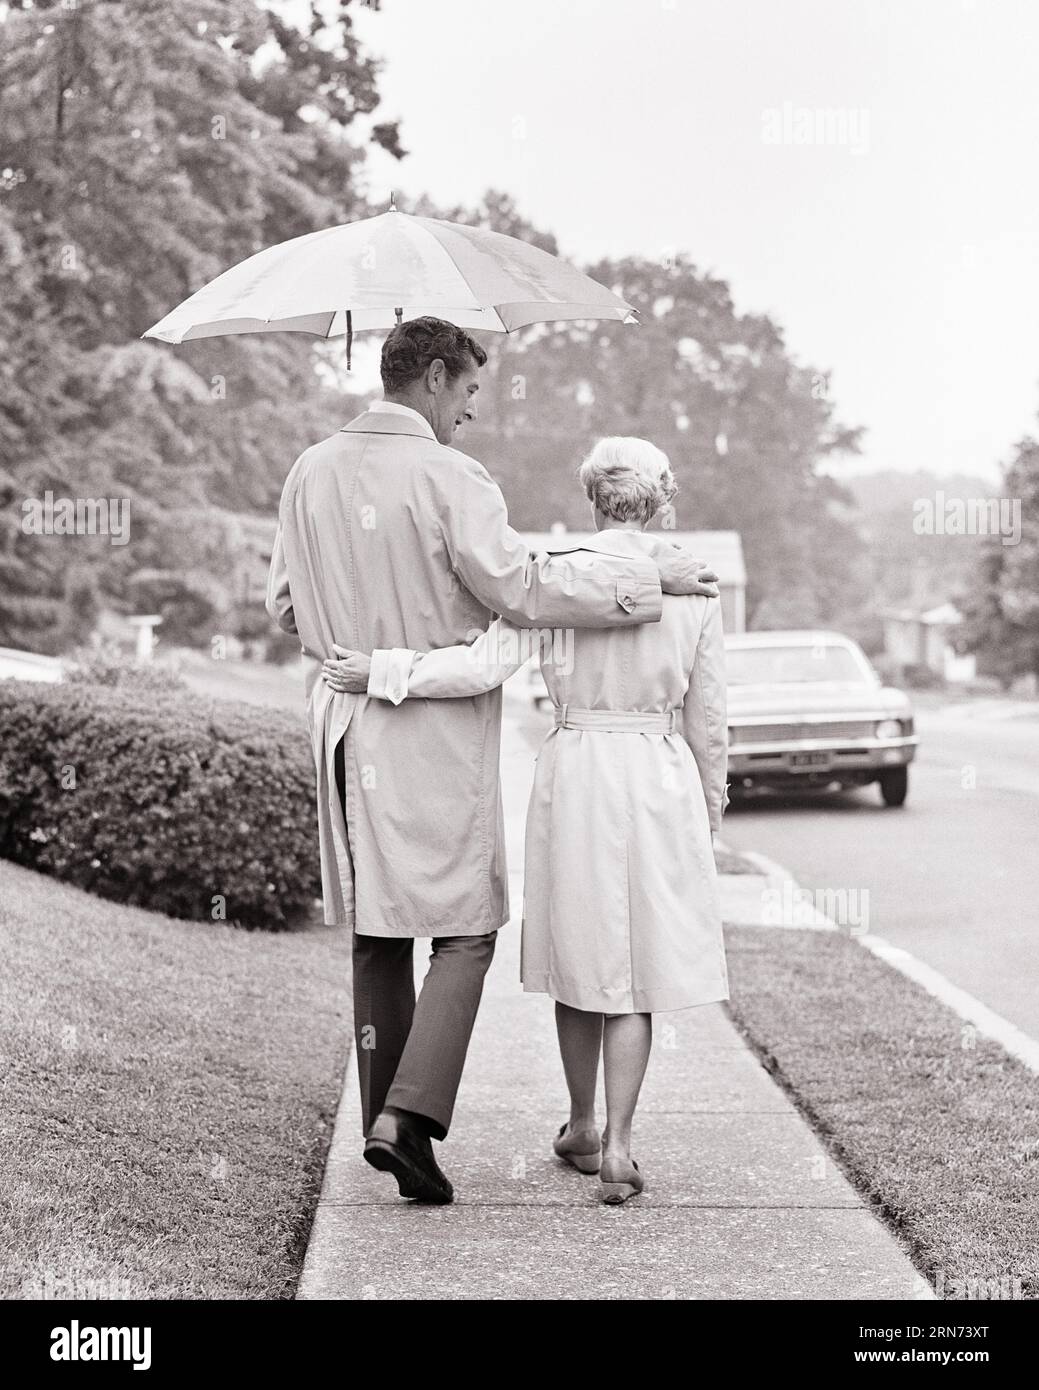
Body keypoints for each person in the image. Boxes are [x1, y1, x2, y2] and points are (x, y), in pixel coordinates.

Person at [265, 318, 719, 1204]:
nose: (471, 410)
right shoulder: (451, 477)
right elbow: (523, 587)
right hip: (429, 728)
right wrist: (643, 582)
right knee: (465, 928)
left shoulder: (306, 471)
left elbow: (286, 606)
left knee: (374, 930)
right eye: (470, 391)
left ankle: (391, 1134)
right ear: (433, 377)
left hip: (341, 721)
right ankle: (409, 1119)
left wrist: (354, 621)